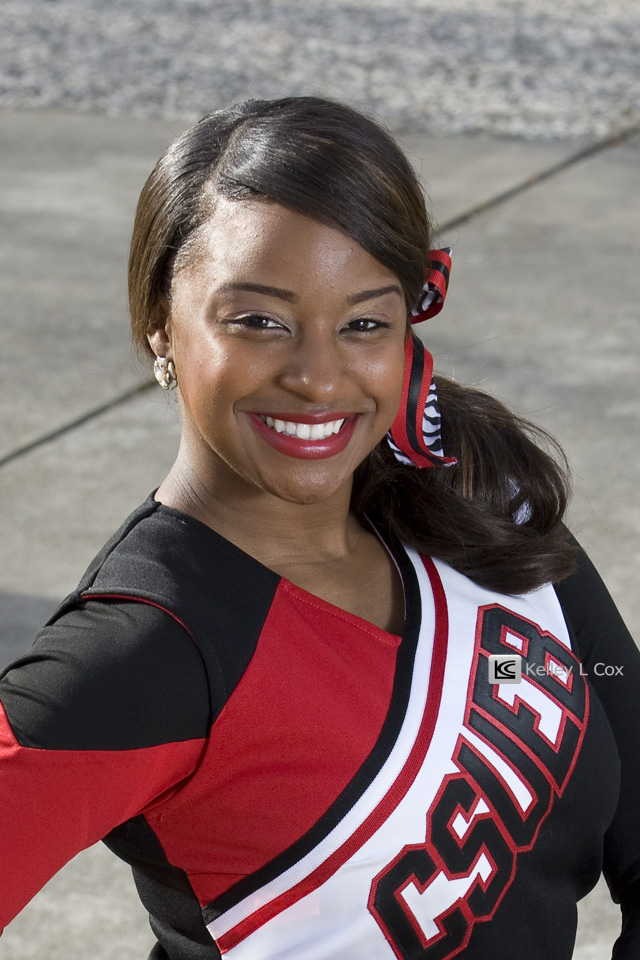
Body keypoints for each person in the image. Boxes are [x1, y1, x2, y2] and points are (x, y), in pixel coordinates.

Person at [0, 96, 638, 960]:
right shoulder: (144, 650)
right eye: (258, 321)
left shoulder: (477, 499)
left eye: (364, 323)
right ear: (161, 324)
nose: (316, 376)